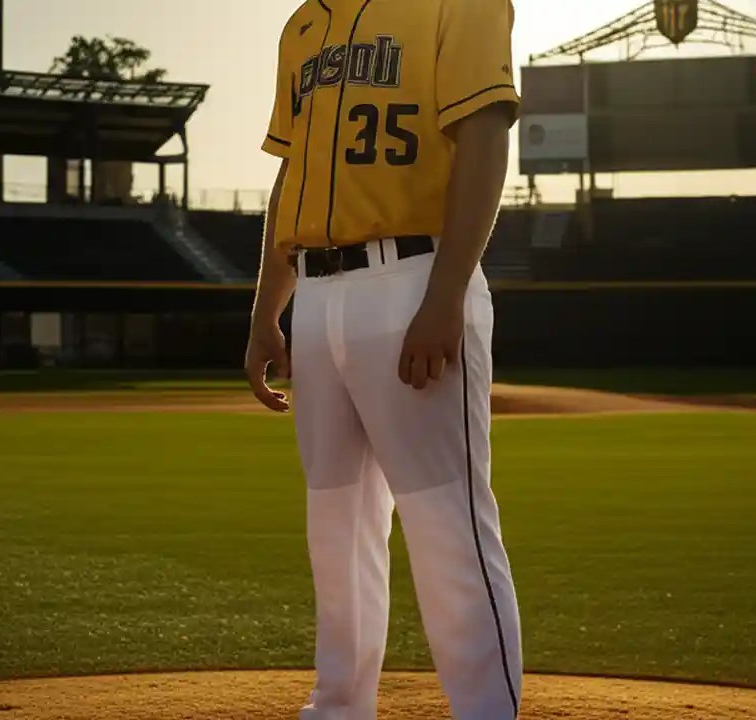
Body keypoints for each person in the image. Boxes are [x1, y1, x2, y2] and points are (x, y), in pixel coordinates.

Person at [244, 1, 523, 718]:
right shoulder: (305, 24)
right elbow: (290, 176)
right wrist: (265, 309)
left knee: (447, 524)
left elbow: (486, 137)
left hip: (414, 276)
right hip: (316, 287)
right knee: (335, 526)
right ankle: (338, 708)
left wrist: (446, 294)